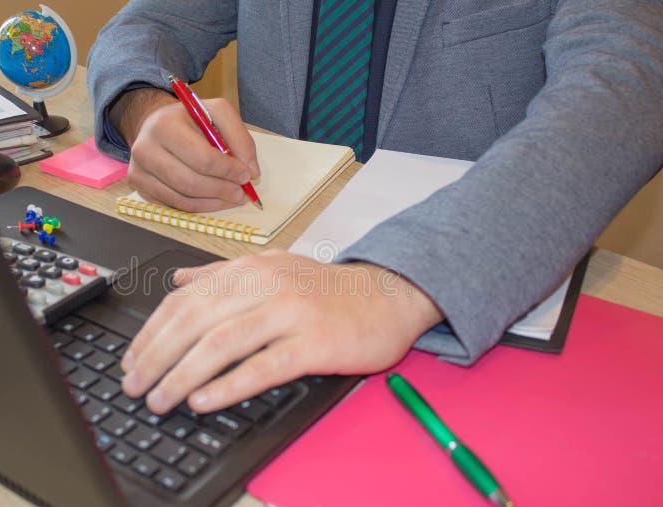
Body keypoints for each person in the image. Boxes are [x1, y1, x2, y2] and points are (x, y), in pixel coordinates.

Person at [87, 0, 663, 415]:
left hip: (458, 310)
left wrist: (399, 281)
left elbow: (628, 81)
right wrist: (145, 109)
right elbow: (150, 22)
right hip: (245, 258)